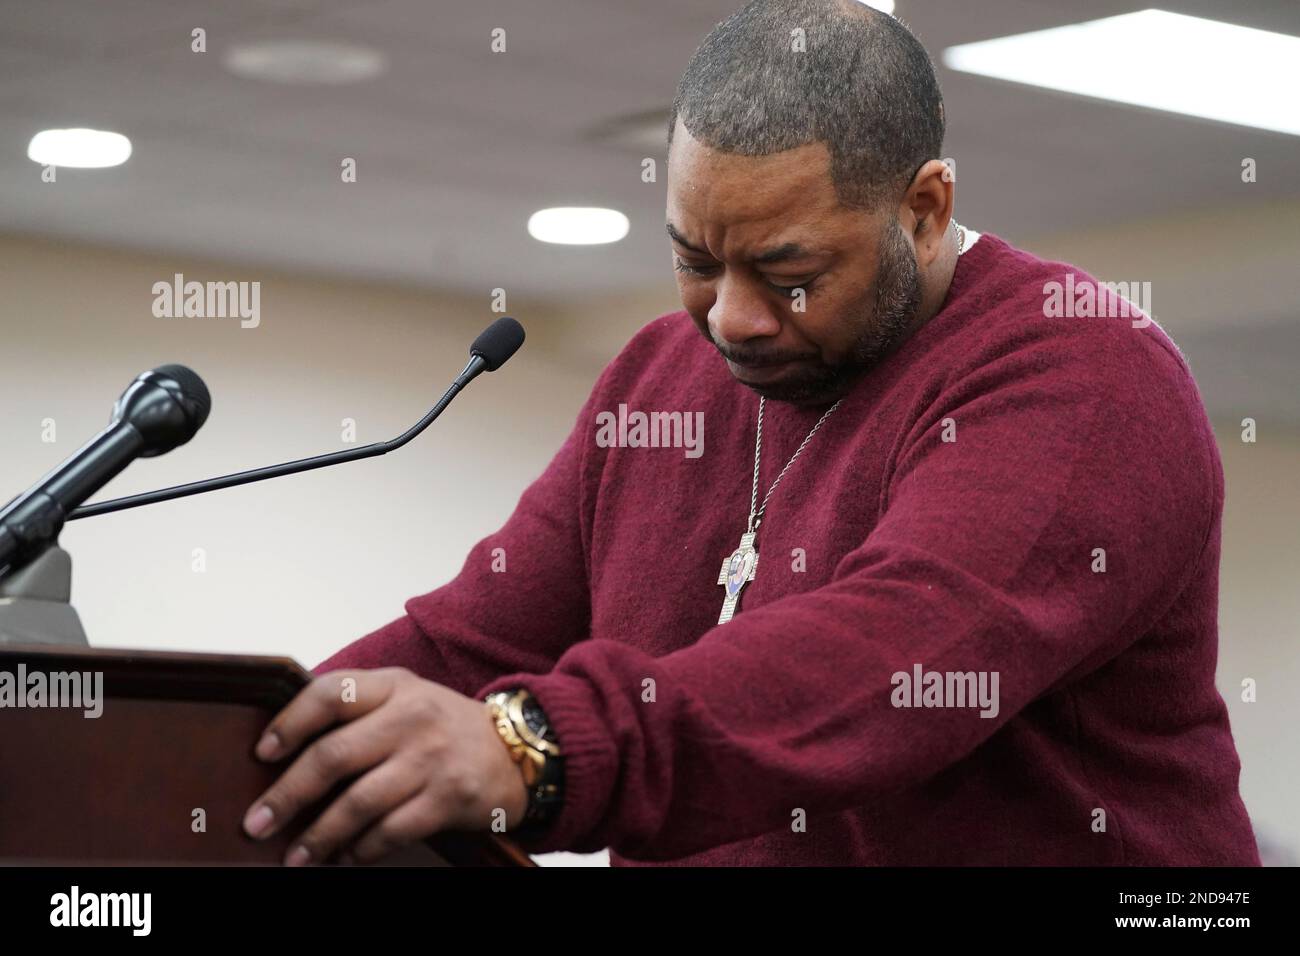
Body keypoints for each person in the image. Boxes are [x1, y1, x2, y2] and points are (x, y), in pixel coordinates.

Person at [241, 0, 1259, 866]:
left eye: (788, 273)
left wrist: (531, 747)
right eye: (695, 261)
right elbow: (465, 642)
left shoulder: (1083, 371)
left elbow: (891, 658)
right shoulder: (657, 379)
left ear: (923, 209)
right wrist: (249, 746)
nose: (731, 319)